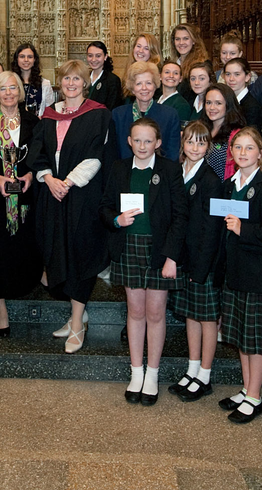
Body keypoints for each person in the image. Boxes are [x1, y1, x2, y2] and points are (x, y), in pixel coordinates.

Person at [101, 117, 188, 406]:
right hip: (128, 247)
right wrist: (116, 219)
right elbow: (104, 207)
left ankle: (152, 373)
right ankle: (135, 371)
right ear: (129, 141)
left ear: (158, 143)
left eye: (148, 141)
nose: (142, 145)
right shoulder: (118, 168)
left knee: (155, 313)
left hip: (159, 250)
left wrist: (172, 256)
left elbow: (180, 217)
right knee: (135, 311)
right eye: (137, 140)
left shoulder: (171, 170)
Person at [33, 60, 111, 353]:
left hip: (82, 195)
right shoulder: (49, 116)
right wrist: (49, 178)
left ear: (84, 82)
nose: (71, 83)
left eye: (76, 79)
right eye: (66, 78)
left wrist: (68, 182)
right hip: (52, 193)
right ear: (60, 82)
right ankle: (77, 314)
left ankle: (77, 323)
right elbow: (38, 151)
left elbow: (96, 154)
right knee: (57, 251)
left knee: (80, 253)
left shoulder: (97, 115)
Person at [215, 127, 262, 423]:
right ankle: (247, 388)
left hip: (261, 274)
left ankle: (255, 396)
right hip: (235, 270)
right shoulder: (228, 185)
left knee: (256, 340)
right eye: (238, 148)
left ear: (261, 153)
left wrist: (243, 229)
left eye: (249, 148)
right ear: (231, 154)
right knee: (242, 337)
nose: (243, 153)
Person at [0, 71, 43, 335]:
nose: (9, 93)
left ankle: (30, 280)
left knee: (25, 241)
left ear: (20, 91)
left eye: (13, 88)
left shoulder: (33, 122)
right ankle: (0, 305)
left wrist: (30, 175)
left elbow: (41, 156)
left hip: (24, 195)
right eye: (3, 89)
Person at [168, 122, 224, 402]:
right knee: (190, 314)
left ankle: (205, 374)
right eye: (190, 142)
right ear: (183, 143)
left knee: (207, 318)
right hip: (182, 258)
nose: (194, 148)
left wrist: (201, 269)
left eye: (201, 143)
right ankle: (191, 368)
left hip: (203, 262)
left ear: (208, 147)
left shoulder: (211, 180)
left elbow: (212, 229)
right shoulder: (175, 173)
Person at [112, 60, 181, 161]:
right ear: (132, 88)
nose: (144, 88)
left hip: (159, 174)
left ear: (155, 85)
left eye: (148, 83)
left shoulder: (170, 115)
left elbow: (172, 154)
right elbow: (113, 153)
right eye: (139, 83)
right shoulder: (118, 115)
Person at [202, 84, 244, 180]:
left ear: (228, 105)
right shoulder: (203, 129)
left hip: (223, 189)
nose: (212, 107)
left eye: (218, 103)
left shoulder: (237, 135)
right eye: (208, 102)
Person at [218, 32, 262, 105]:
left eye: (232, 53)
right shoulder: (216, 75)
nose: (228, 57)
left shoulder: (252, 77)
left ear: (240, 54)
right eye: (224, 53)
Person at [13, 42, 56, 117]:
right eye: (22, 56)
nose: (26, 60)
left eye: (30, 57)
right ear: (17, 59)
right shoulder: (10, 82)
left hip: (37, 126)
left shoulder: (45, 84)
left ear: (34, 60)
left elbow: (50, 110)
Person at [223, 57, 262, 128]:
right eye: (228, 74)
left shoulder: (252, 107)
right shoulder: (224, 101)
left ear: (247, 77)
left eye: (237, 74)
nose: (231, 79)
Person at [85, 41, 123, 110]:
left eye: (98, 56)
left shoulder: (112, 80)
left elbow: (113, 108)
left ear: (105, 57)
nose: (93, 59)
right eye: (90, 56)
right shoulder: (83, 78)